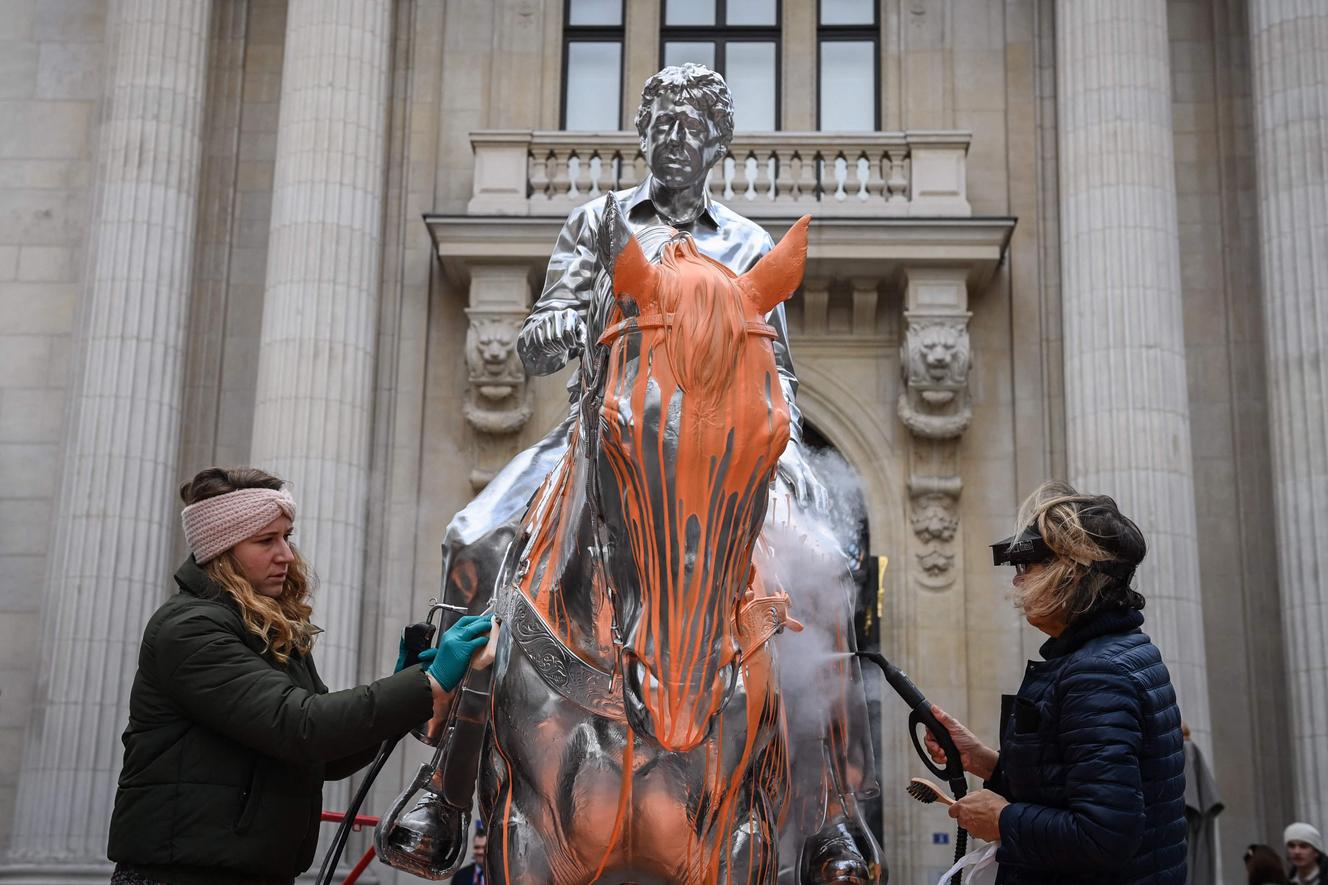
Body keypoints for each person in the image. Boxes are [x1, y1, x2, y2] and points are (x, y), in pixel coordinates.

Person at [107, 467, 493, 885]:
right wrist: (425, 684)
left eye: (286, 537)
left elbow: (328, 756)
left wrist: (410, 689)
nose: (286, 555)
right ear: (222, 551)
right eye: (266, 540)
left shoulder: (264, 628)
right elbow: (302, 726)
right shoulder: (189, 628)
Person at [923, 480, 1187, 884]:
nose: (1017, 582)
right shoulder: (1109, 654)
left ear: (1071, 574)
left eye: (1026, 567)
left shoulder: (1097, 673)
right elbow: (1072, 782)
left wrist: (1003, 819)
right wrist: (984, 760)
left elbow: (1104, 836)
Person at [450, 820, 488, 885]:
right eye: (477, 847)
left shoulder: (500, 876)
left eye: (484, 848)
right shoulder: (459, 876)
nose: (480, 851)